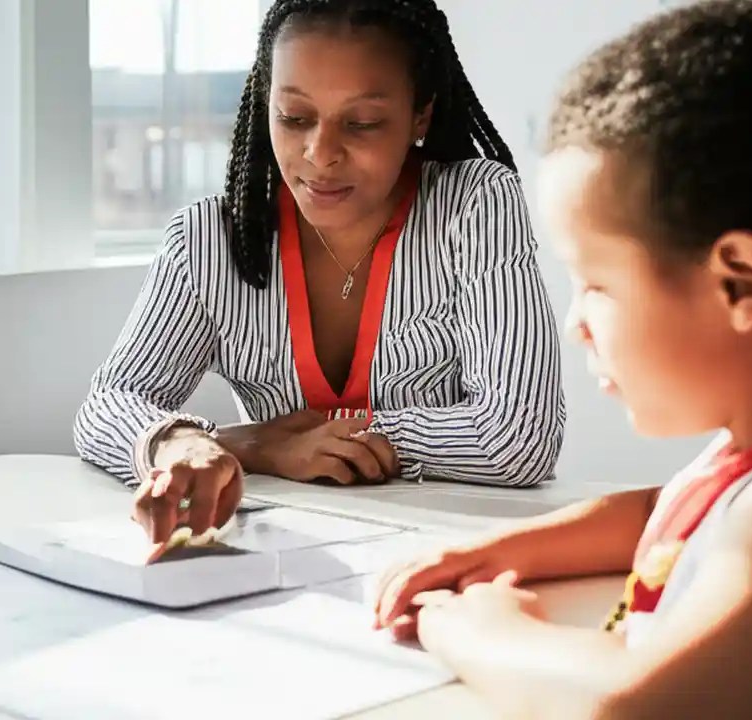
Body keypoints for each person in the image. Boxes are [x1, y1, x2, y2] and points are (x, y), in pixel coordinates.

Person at [372, 2, 752, 717]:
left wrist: (476, 631)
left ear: (740, 284)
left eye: (597, 285)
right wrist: (493, 550)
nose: (575, 324)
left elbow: (637, 705)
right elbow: (659, 512)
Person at [73, 0, 565, 554]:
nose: (321, 153)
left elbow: (520, 436)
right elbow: (109, 402)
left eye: (362, 123)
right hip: (278, 550)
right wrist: (198, 444)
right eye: (294, 117)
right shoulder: (209, 238)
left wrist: (311, 446)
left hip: (445, 546)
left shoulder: (473, 202)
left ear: (419, 117)